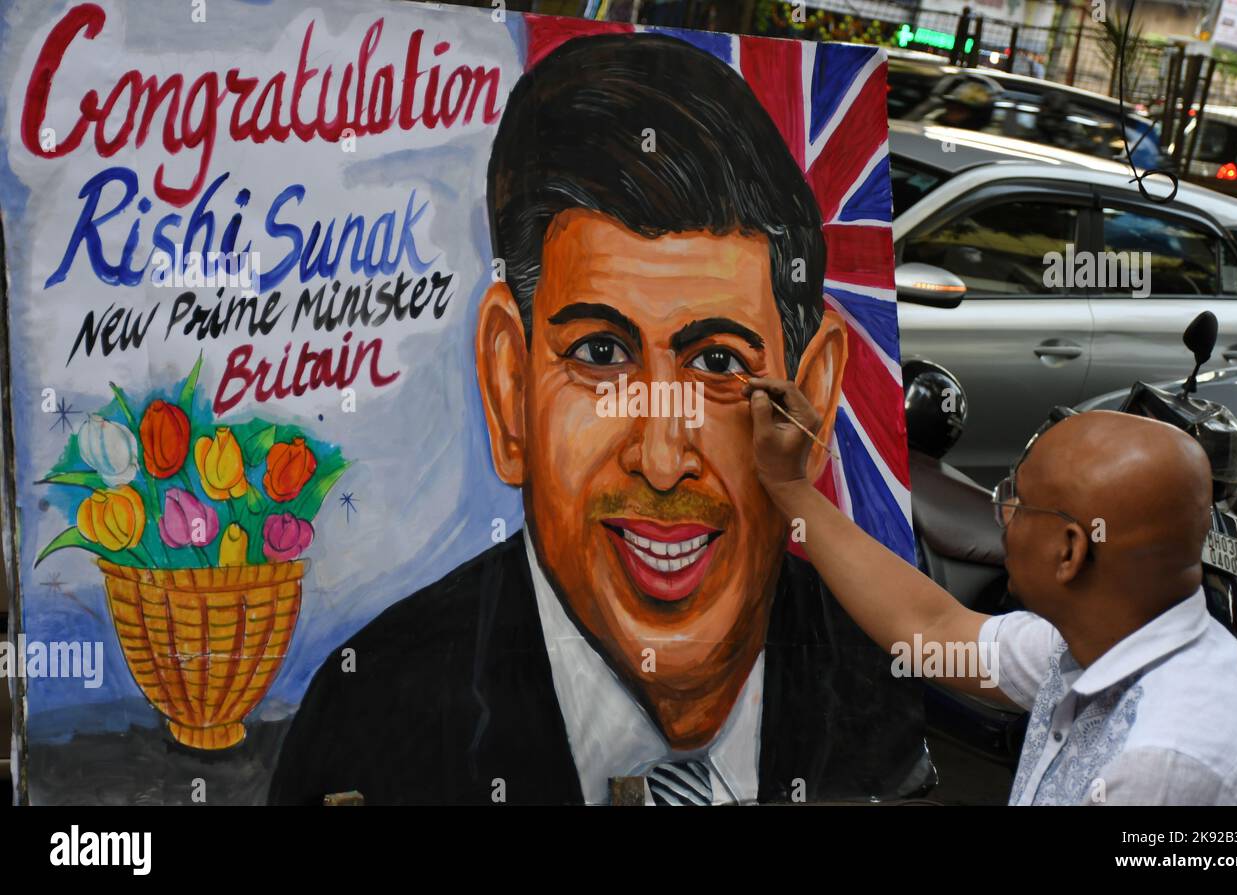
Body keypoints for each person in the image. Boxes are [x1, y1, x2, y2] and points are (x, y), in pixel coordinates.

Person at [269, 33, 930, 806]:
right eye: (601, 351)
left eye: (717, 364)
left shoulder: (879, 706)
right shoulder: (370, 729)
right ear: (509, 384)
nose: (659, 457)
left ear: (810, 396)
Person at [743, 380, 1237, 805]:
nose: (1002, 512)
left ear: (1070, 551)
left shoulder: (1162, 760)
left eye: (1017, 498)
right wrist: (790, 487)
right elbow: (930, 628)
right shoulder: (1098, 642)